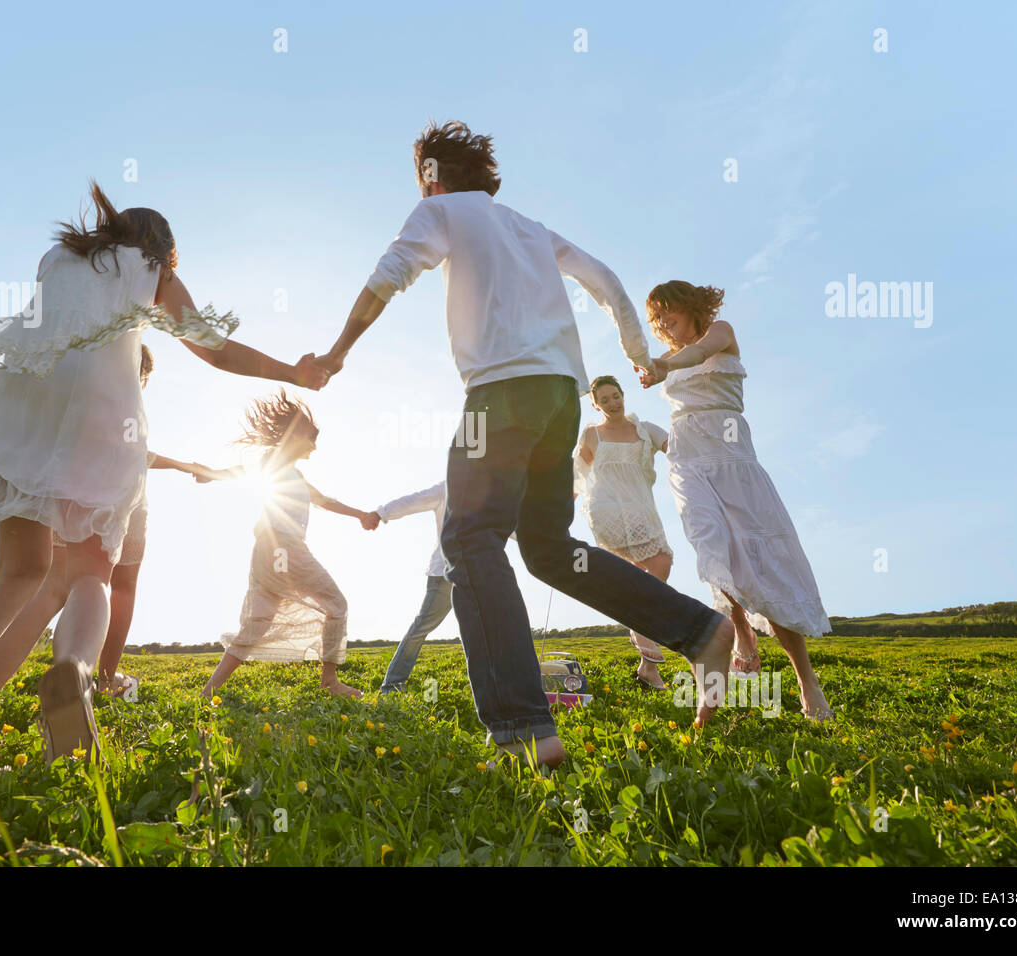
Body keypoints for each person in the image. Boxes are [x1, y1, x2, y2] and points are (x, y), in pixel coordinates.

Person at [315, 121, 736, 766]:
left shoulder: (440, 210)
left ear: (431, 174)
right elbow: (608, 282)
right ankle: (700, 630)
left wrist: (338, 351)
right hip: (561, 401)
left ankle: (523, 729)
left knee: (468, 538)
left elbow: (391, 273)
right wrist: (637, 355)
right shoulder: (531, 228)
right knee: (546, 548)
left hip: (498, 397)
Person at [0, 181, 330, 762]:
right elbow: (212, 349)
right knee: (92, 571)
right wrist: (292, 372)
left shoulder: (59, 256)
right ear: (165, 253)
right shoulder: (151, 269)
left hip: (21, 412)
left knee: (16, 575)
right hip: (102, 418)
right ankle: (72, 672)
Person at [0, 345, 203, 722]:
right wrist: (186, 465)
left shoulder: (71, 384)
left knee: (50, 590)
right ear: (139, 374)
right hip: (115, 494)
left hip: (59, 488)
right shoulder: (122, 399)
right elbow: (137, 454)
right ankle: (94, 676)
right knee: (115, 585)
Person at [639, 280, 833, 720]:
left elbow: (693, 356)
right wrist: (650, 368)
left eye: (669, 311)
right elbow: (662, 364)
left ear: (691, 307)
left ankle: (807, 680)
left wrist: (662, 367)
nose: (664, 323)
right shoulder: (666, 358)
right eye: (657, 317)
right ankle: (741, 631)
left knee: (762, 560)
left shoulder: (721, 333)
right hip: (687, 455)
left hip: (730, 453)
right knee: (710, 543)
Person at [191, 390, 366, 699]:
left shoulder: (294, 474)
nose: (314, 446)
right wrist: (212, 474)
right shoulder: (277, 463)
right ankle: (329, 682)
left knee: (257, 624)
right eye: (312, 439)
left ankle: (209, 692)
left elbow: (325, 501)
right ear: (297, 435)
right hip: (284, 548)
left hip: (265, 551)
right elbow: (246, 473)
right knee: (336, 605)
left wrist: (360, 514)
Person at [573, 375, 674, 690]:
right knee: (656, 565)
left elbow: (680, 451)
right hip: (607, 511)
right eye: (605, 400)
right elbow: (576, 477)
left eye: (616, 396)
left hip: (643, 512)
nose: (613, 403)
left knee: (658, 568)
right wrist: (559, 508)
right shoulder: (592, 435)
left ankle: (647, 664)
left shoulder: (645, 430)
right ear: (595, 405)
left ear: (622, 395)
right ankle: (646, 645)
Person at [361, 481, 454, 694]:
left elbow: (511, 526)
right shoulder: (448, 487)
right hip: (445, 573)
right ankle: (392, 686)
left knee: (484, 630)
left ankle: (494, 689)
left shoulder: (492, 490)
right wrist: (380, 513)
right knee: (422, 627)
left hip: (478, 575)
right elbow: (413, 501)